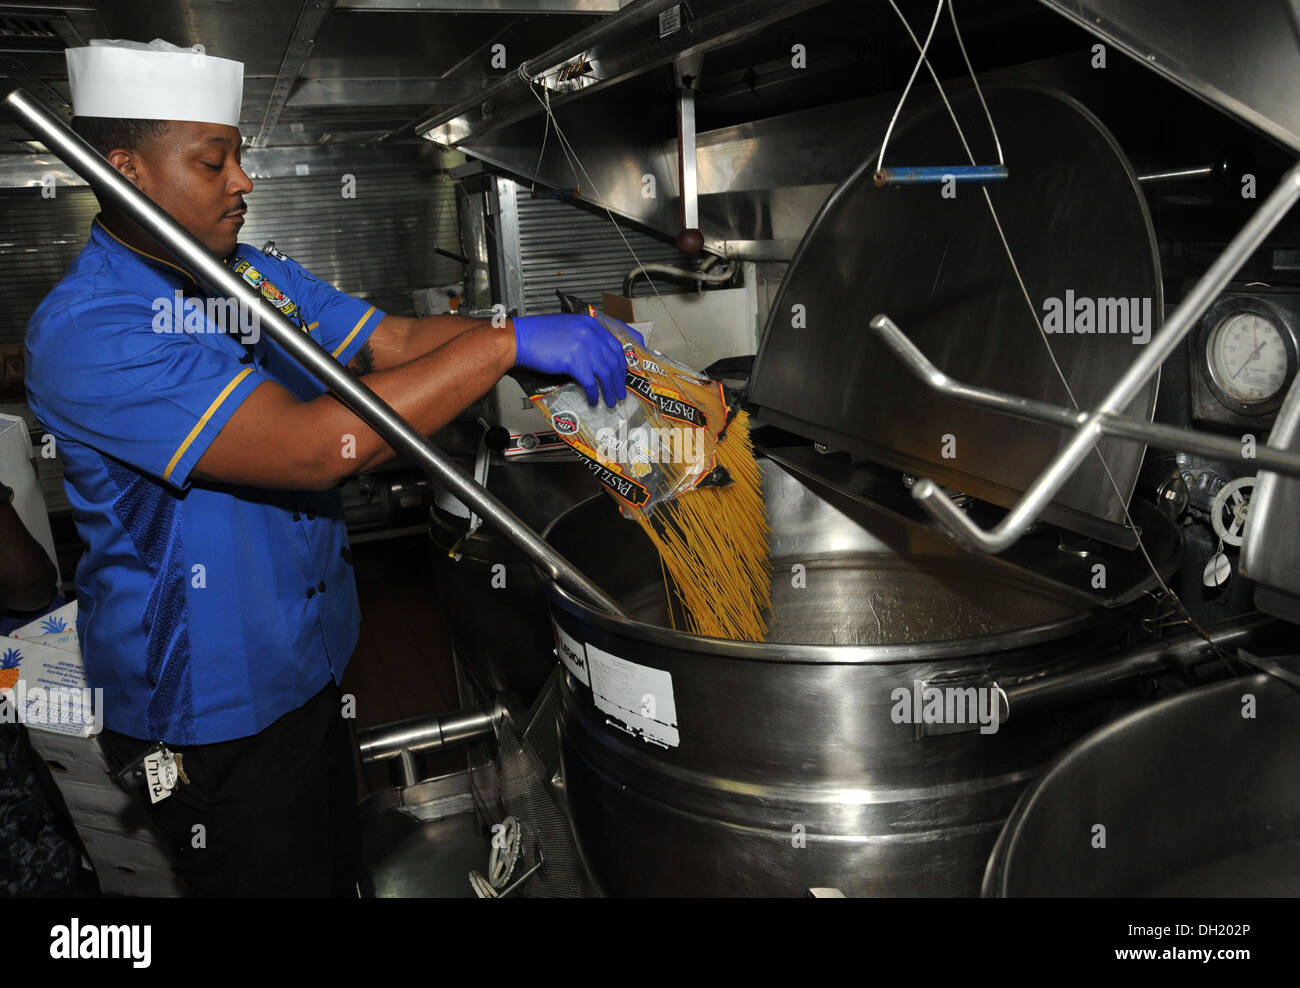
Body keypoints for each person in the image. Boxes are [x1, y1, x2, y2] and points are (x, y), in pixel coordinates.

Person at [24, 38, 638, 897]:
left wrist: (539, 330)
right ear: (123, 169)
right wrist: (502, 348)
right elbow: (314, 448)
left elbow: (390, 340)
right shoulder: (94, 329)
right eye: (214, 161)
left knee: (331, 868)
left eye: (238, 154)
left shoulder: (250, 274)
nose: (243, 179)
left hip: (308, 660)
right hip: (210, 711)